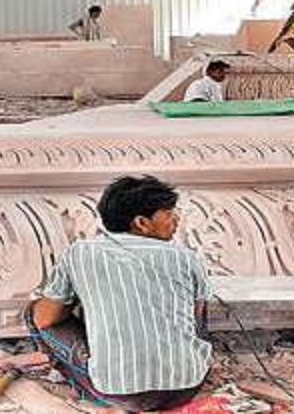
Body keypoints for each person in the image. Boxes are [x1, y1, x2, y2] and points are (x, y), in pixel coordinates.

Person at [27, 175, 211, 412]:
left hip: (118, 393)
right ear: (142, 223)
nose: (176, 220)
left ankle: (79, 378)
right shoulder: (188, 258)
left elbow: (45, 319)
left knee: (36, 311)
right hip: (186, 388)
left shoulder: (81, 252)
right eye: (169, 213)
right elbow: (196, 319)